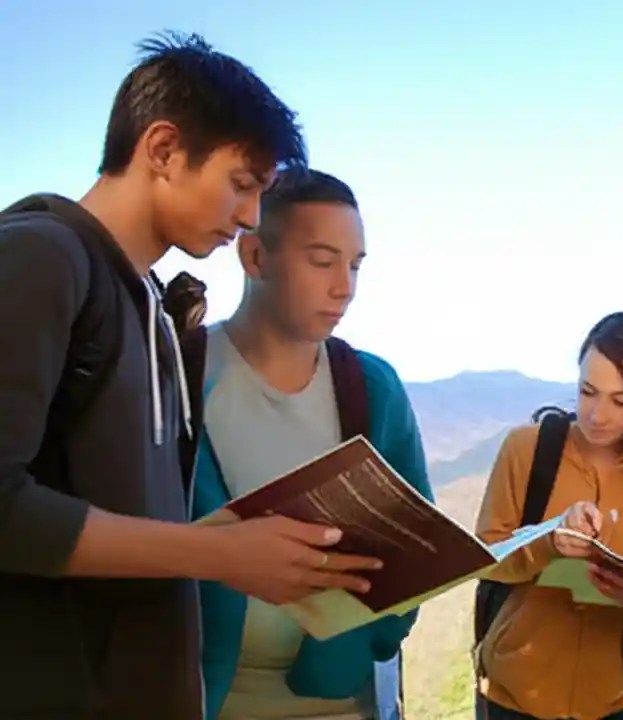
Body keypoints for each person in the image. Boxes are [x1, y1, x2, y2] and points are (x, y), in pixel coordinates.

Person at [0, 32, 378, 719]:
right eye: (241, 185)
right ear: (164, 150)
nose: (250, 218)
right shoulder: (39, 258)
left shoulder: (151, 305)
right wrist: (216, 555)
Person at [174, 169, 431, 720]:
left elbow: (422, 546)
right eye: (322, 261)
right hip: (201, 698)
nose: (345, 286)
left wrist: (374, 640)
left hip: (341, 701)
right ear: (254, 257)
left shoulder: (371, 388)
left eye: (356, 265)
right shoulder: (179, 374)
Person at [473, 311, 623, 720]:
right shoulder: (527, 449)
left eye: (620, 401)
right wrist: (548, 543)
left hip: (609, 701)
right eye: (587, 392)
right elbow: (484, 558)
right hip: (514, 694)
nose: (597, 415)